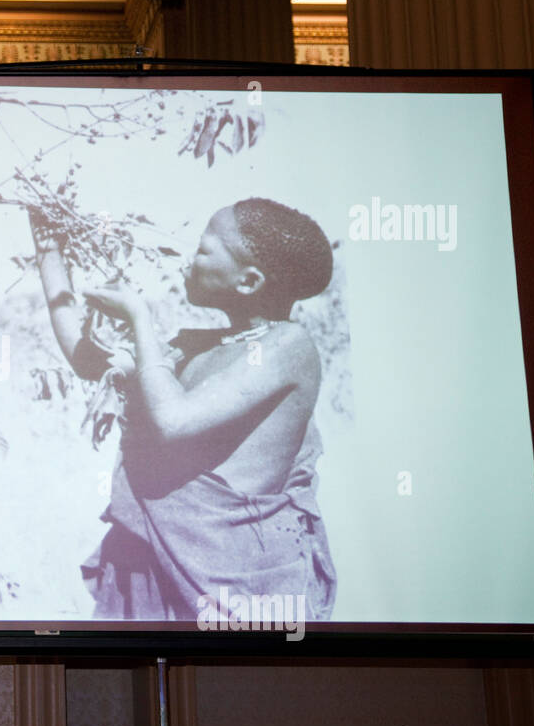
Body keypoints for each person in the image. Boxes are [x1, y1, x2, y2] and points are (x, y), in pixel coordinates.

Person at [31, 197, 338, 622]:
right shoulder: (193, 346)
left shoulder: (288, 346)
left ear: (248, 281)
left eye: (204, 250)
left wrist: (139, 318)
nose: (188, 260)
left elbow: (174, 422)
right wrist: (48, 251)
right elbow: (87, 360)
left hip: (228, 590)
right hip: (148, 563)